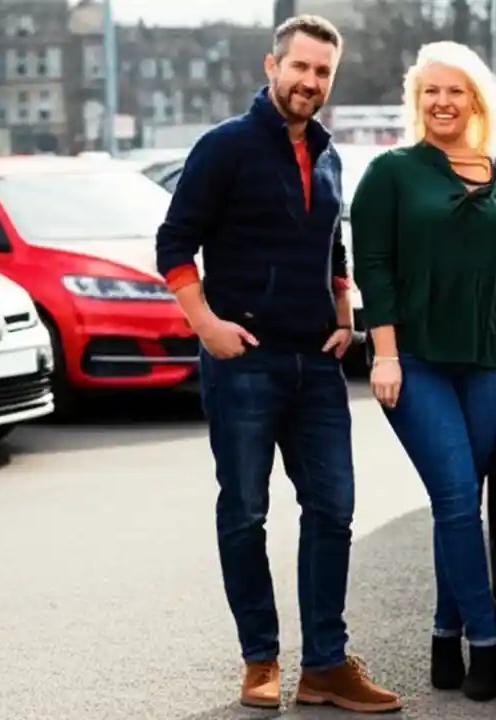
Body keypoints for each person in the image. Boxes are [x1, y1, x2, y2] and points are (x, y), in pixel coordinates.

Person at [155, 14, 402, 714]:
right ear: (272, 66)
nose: (310, 82)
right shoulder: (224, 148)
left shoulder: (329, 156)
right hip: (245, 363)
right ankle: (259, 658)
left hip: (316, 368)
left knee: (334, 511)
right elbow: (174, 244)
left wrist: (345, 310)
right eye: (300, 68)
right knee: (245, 514)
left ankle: (325, 665)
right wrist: (206, 327)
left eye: (323, 72)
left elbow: (334, 247)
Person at [349, 41, 496, 703]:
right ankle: (485, 642)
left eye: (455, 91)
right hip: (414, 362)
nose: (442, 102)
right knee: (454, 501)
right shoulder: (391, 173)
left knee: (463, 503)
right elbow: (376, 270)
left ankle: (444, 634)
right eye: (430, 92)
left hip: (490, 363)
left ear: (476, 100)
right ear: (416, 102)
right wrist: (385, 353)